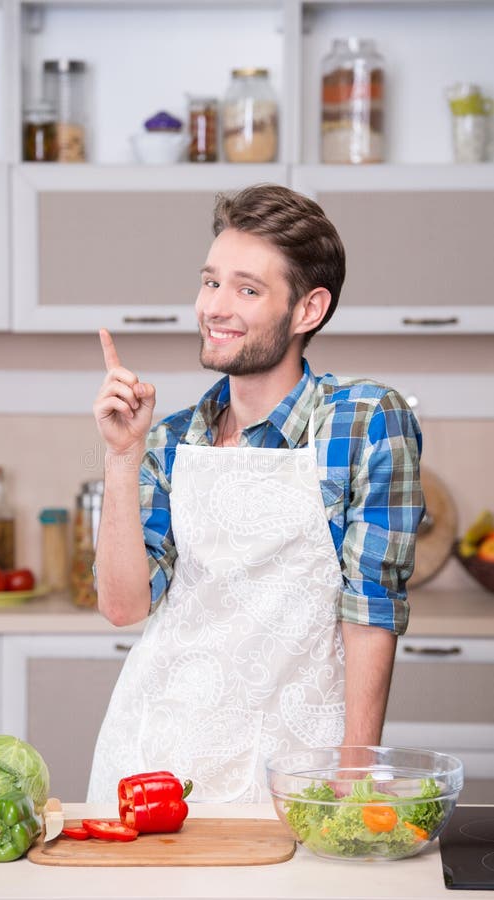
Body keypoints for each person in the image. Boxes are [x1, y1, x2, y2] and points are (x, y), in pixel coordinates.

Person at [87, 183, 423, 803]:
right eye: (210, 281)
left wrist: (354, 772)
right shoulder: (169, 437)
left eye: (247, 289)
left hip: (293, 770)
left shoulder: (363, 420)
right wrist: (121, 455)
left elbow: (372, 609)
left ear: (307, 310)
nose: (215, 306)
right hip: (153, 757)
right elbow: (124, 606)